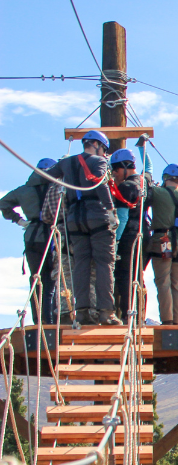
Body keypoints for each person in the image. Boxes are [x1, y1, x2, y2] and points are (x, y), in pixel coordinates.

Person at [44, 130, 120, 325]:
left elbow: (47, 175)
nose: (104, 153)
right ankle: (106, 312)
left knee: (81, 264)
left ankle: (82, 311)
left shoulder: (66, 162)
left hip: (74, 219)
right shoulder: (99, 162)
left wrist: (65, 170)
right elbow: (100, 185)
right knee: (104, 263)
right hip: (97, 216)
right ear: (97, 145)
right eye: (104, 148)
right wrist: (111, 211)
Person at [1, 157, 58, 324]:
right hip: (52, 236)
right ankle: (52, 320)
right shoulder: (57, 188)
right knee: (53, 280)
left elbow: (3, 203)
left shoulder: (24, 190)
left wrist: (19, 220)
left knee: (36, 279)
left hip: (32, 237)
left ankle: (39, 320)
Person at [145, 164, 178, 325]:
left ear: (165, 177)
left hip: (163, 239)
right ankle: (177, 320)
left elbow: (145, 196)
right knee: (176, 283)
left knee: (163, 281)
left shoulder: (157, 193)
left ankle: (167, 320)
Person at [108, 149, 147, 320]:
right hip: (144, 234)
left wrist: (115, 241)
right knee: (137, 276)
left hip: (129, 236)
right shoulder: (144, 182)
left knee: (125, 276)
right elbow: (149, 169)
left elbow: (122, 218)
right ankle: (139, 315)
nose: (114, 175)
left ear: (124, 167)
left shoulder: (125, 187)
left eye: (115, 171)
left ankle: (127, 315)